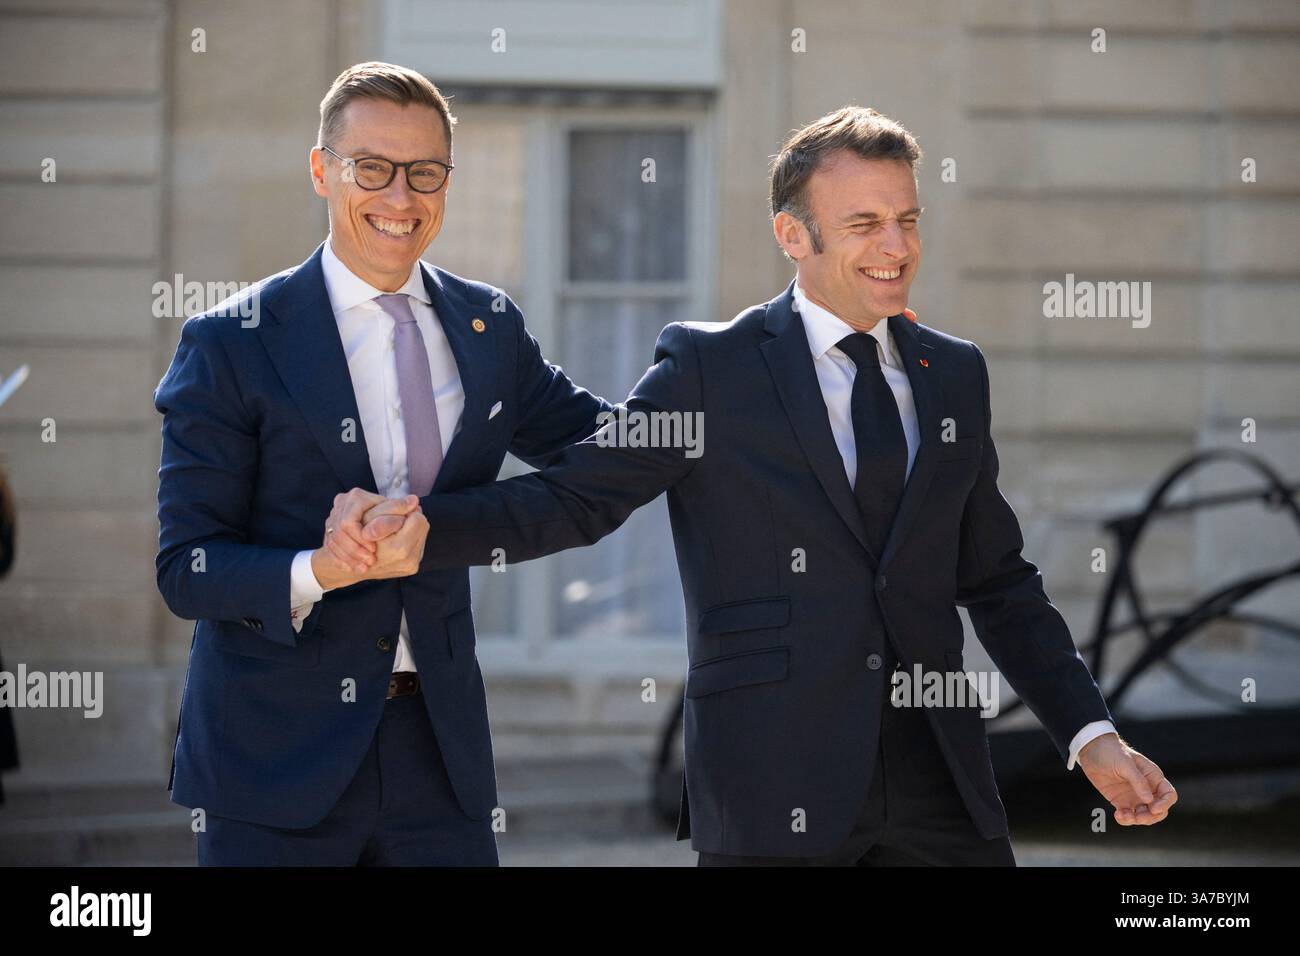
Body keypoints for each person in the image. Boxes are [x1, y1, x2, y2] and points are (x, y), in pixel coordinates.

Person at [328, 106, 1177, 866]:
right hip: (774, 786)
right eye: (866, 223)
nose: (897, 247)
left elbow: (998, 581)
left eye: (908, 220)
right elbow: (580, 496)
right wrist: (425, 529)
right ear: (792, 235)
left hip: (943, 789)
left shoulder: (954, 373)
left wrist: (1090, 734)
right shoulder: (710, 369)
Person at [154, 62, 609, 865]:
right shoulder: (231, 342)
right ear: (322, 169)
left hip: (438, 759)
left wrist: (729, 394)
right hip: (272, 765)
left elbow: (603, 454)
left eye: (424, 173)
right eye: (373, 168)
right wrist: (319, 569)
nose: (401, 198)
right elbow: (188, 568)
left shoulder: (489, 327)